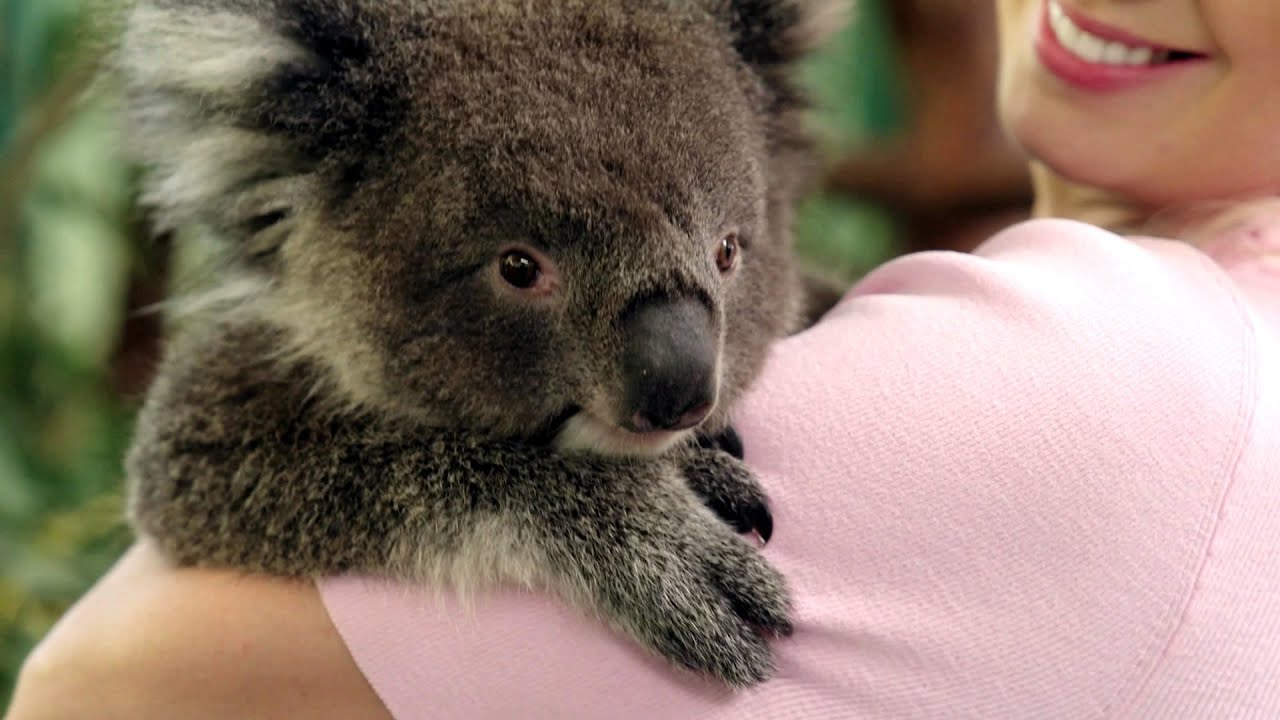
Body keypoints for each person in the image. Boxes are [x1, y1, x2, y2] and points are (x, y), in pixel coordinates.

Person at [9, 0, 1280, 717]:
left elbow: (97, 686)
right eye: (523, 271)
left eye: (727, 256)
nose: (683, 388)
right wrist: (528, 497)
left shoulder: (1117, 380)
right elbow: (197, 462)